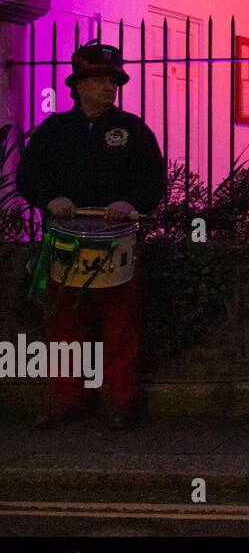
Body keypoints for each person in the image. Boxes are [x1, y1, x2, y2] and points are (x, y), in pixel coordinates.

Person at [16, 41, 167, 429]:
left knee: (120, 322)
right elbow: (28, 176)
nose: (109, 86)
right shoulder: (54, 130)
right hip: (66, 239)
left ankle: (122, 399)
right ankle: (67, 399)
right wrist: (52, 198)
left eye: (113, 79)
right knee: (66, 322)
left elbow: (154, 182)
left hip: (116, 239)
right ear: (78, 84)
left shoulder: (133, 130)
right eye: (100, 78)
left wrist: (127, 201)